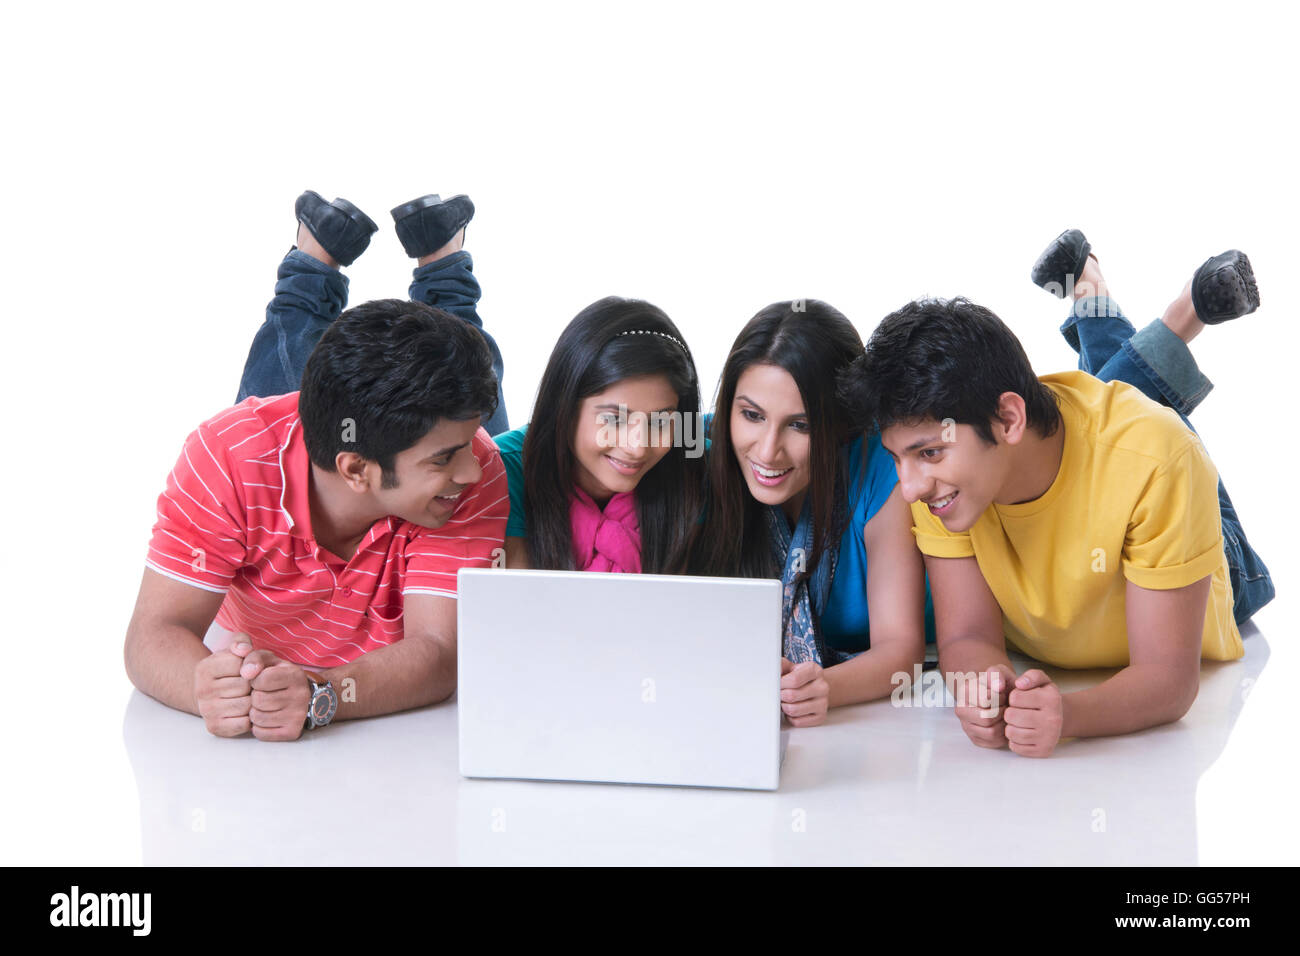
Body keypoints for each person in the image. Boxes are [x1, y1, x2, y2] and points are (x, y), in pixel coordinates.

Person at [839, 229, 1275, 757]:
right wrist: (986, 688)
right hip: (1073, 434)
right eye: (897, 457)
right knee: (1116, 405)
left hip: (1216, 575)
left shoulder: (1158, 459)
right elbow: (966, 637)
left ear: (1008, 418)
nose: (907, 488)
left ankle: (1166, 308)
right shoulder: (938, 484)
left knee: (1144, 432)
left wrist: (1067, 714)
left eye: (928, 452)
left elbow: (1166, 678)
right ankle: (1089, 288)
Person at [124, 191, 510, 740]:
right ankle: (318, 257)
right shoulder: (228, 457)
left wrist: (326, 694)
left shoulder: (479, 470)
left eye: (466, 444)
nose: (472, 470)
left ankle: (436, 260)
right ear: (356, 470)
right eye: (447, 458)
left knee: (460, 358)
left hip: (344, 443)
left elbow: (440, 654)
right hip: (293, 448)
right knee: (285, 355)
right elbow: (153, 633)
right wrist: (204, 688)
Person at [691, 300, 931, 728]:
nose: (767, 451)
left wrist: (823, 688)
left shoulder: (881, 466)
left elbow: (902, 653)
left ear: (843, 425)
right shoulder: (703, 455)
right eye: (751, 415)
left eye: (799, 425)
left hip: (883, 715)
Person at [494, 298, 707, 573]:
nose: (638, 447)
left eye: (660, 421)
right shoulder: (500, 469)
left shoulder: (698, 463)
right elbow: (515, 605)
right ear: (564, 406)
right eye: (614, 419)